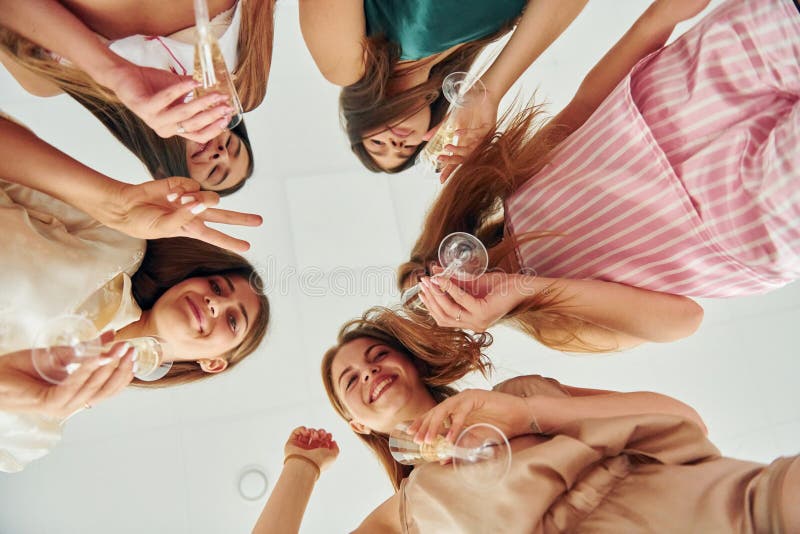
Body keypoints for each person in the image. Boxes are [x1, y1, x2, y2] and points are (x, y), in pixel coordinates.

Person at [398, 0, 800, 351]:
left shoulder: (517, 188)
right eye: (431, 302)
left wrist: (657, 19)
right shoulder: (553, 324)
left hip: (686, 95)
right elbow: (684, 319)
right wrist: (524, 291)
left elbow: (586, 103)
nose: (440, 284)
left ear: (440, 248)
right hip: (736, 220)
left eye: (426, 276)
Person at [270, 306, 797, 533]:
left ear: (409, 362)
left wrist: (528, 414)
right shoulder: (405, 517)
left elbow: (683, 417)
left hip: (713, 502)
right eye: (350, 380)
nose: (369, 372)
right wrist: (302, 466)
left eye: (378, 355)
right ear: (357, 424)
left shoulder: (519, 394)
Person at [0, 116, 270, 472]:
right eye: (217, 286)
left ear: (214, 363)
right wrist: (117, 200)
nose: (215, 302)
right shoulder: (119, 246)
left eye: (233, 321)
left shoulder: (51, 410)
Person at [0, 0, 269, 193]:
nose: (221, 154)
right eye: (231, 145)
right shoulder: (233, 46)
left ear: (165, 173)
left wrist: (111, 71)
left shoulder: (48, 79)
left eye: (215, 171)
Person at [299, 0, 588, 173]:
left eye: (377, 144)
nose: (395, 144)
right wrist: (488, 92)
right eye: (406, 149)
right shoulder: (473, 40)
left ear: (359, 116)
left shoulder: (345, 65)